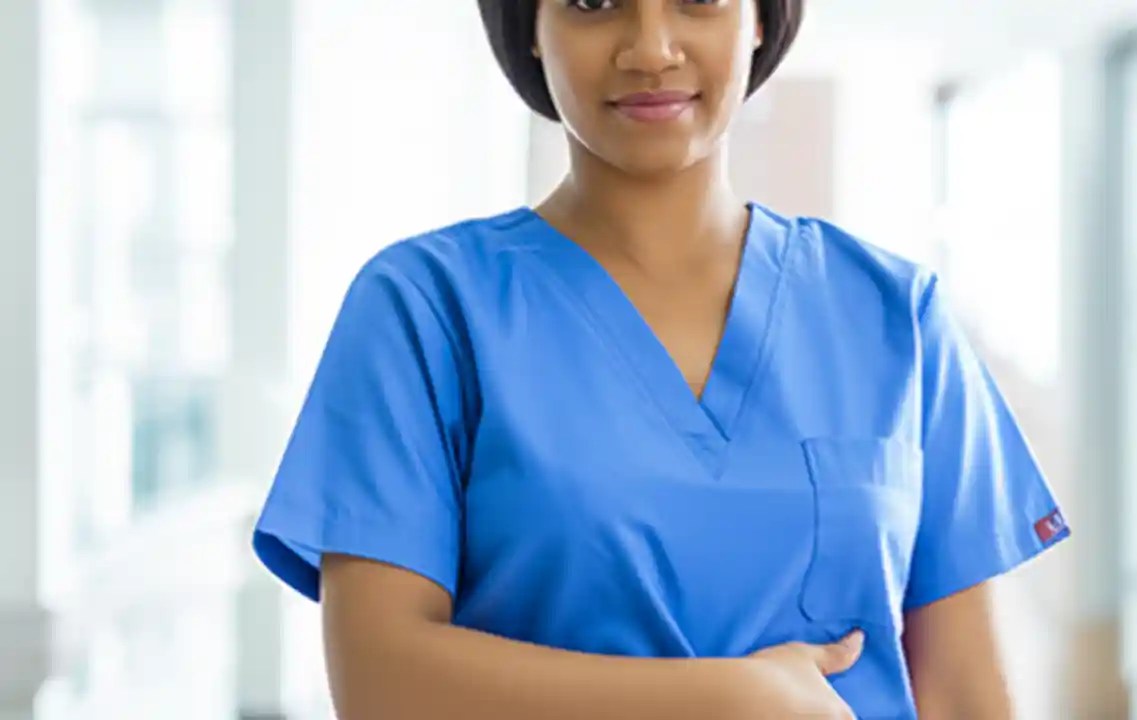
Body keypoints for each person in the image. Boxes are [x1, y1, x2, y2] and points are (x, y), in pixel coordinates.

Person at [251, 0, 1071, 718]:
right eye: (592, 0)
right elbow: (382, 683)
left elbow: (965, 698)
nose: (650, 48)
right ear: (530, 26)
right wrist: (724, 701)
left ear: (760, 18)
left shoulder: (898, 317)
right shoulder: (427, 307)